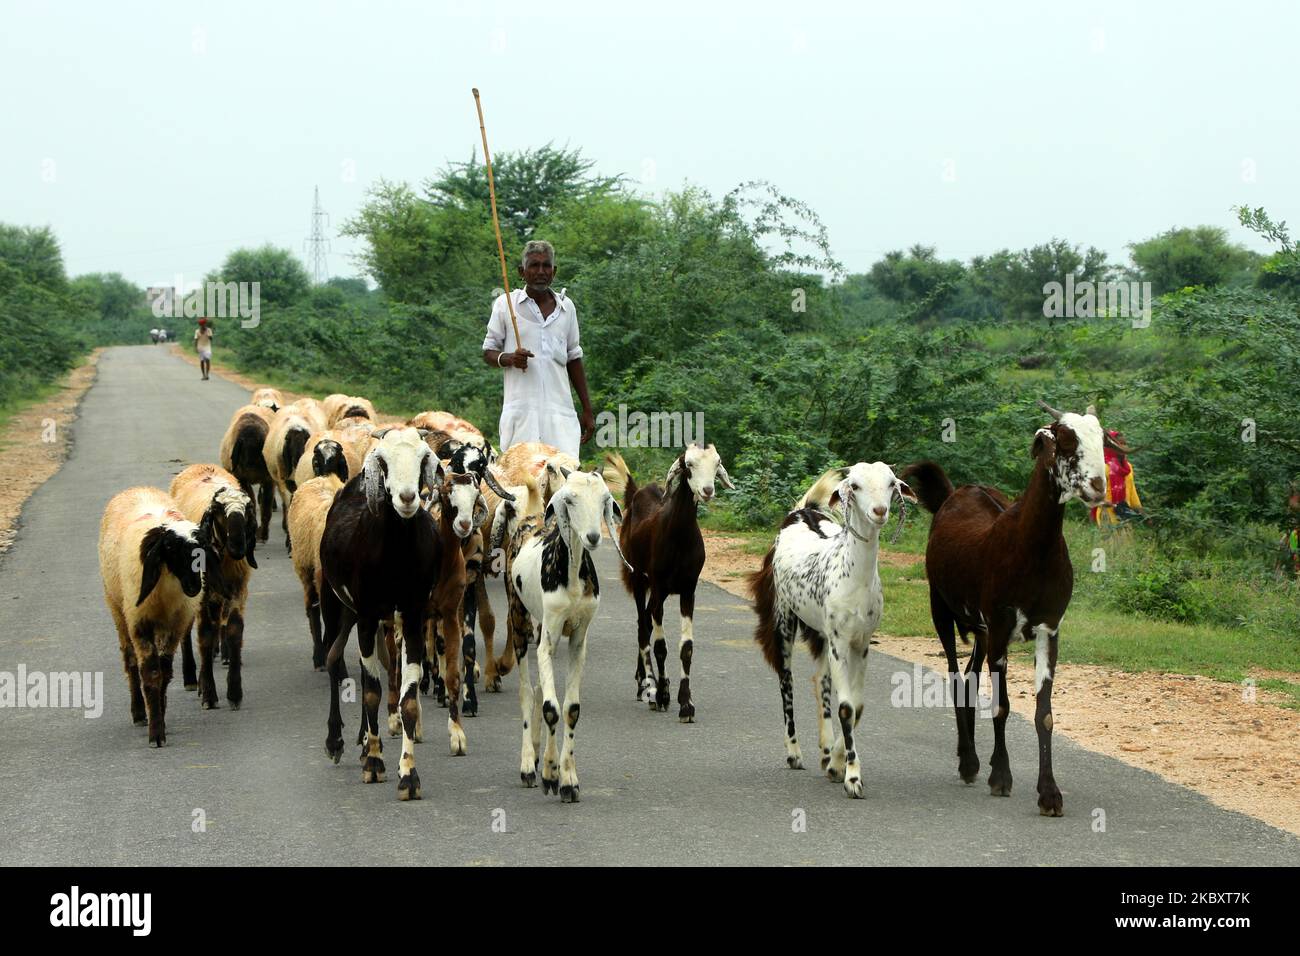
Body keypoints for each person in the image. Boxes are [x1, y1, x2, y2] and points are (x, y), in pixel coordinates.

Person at [482, 240, 595, 459]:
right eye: (534, 265)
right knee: (521, 484)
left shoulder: (566, 308)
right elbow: (488, 351)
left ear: (554, 271)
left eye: (546, 266)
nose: (541, 271)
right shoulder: (506, 305)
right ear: (521, 271)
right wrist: (509, 358)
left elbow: (573, 358)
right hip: (521, 416)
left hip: (560, 416)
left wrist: (588, 410)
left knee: (564, 482)